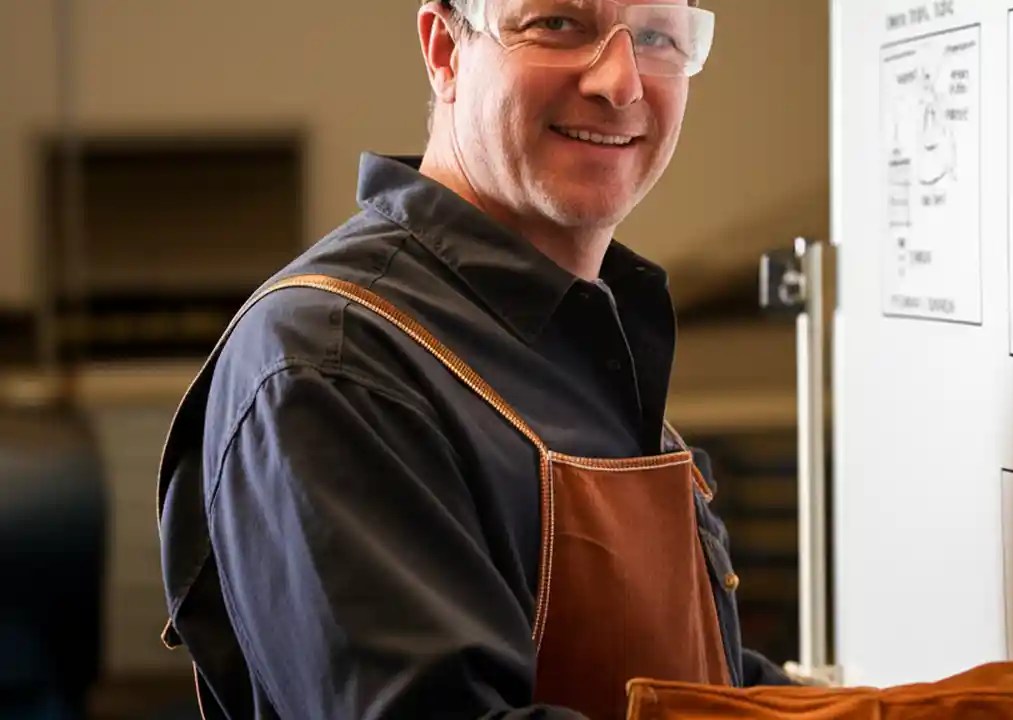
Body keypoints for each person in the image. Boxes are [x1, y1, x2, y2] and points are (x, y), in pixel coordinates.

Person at [155, 0, 794, 718]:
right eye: (557, 24)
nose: (620, 82)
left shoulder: (575, 336)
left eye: (655, 37)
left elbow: (684, 672)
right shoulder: (333, 358)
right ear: (444, 49)